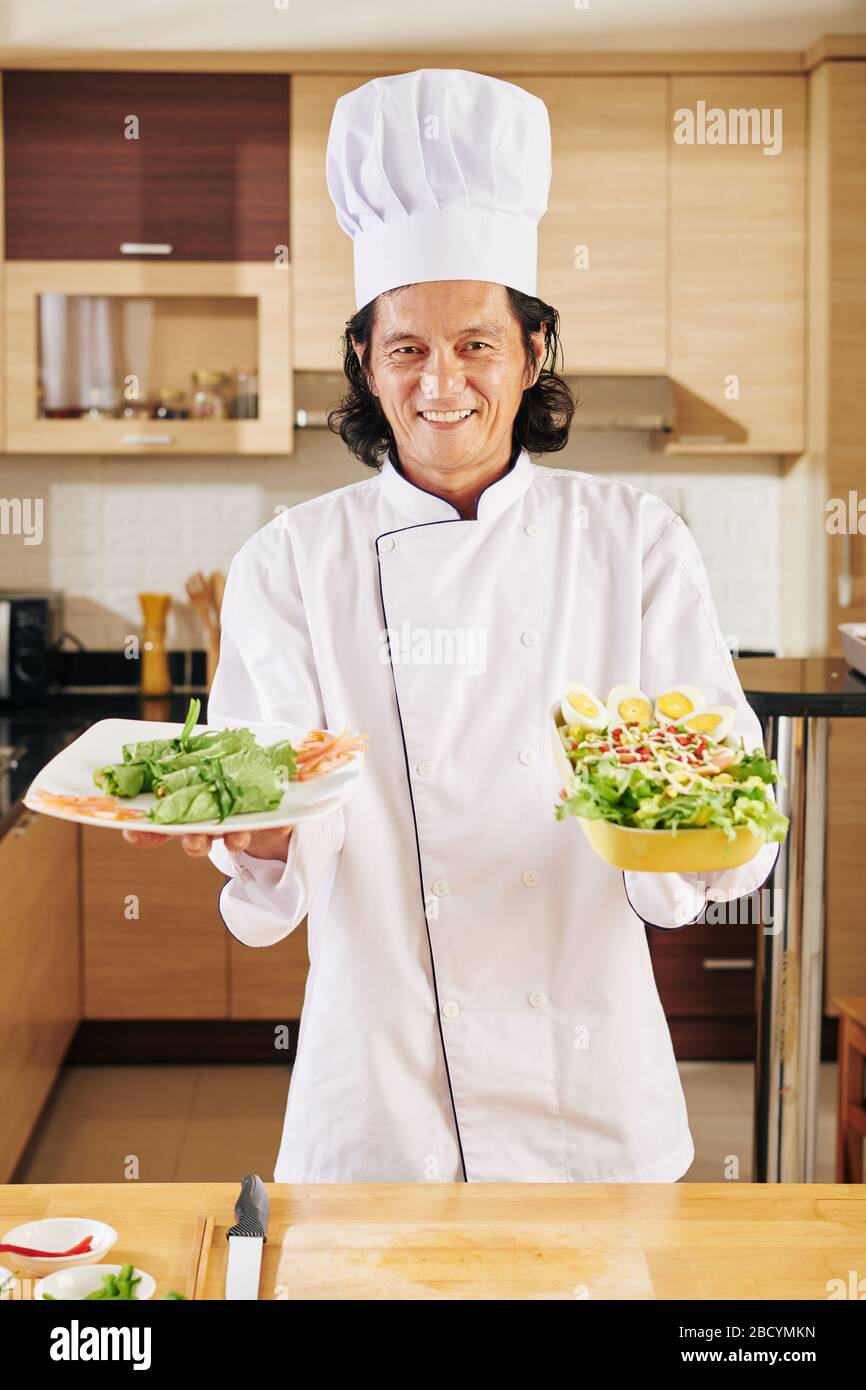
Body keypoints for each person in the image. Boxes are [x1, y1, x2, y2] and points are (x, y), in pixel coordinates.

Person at [125, 69, 778, 1183]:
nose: (442, 382)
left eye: (475, 344)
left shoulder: (633, 542)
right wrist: (256, 835)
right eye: (406, 348)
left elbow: (728, 809)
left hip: (591, 1099)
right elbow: (270, 820)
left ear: (530, 356)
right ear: (366, 369)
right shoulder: (292, 562)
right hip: (377, 1104)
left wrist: (679, 830)